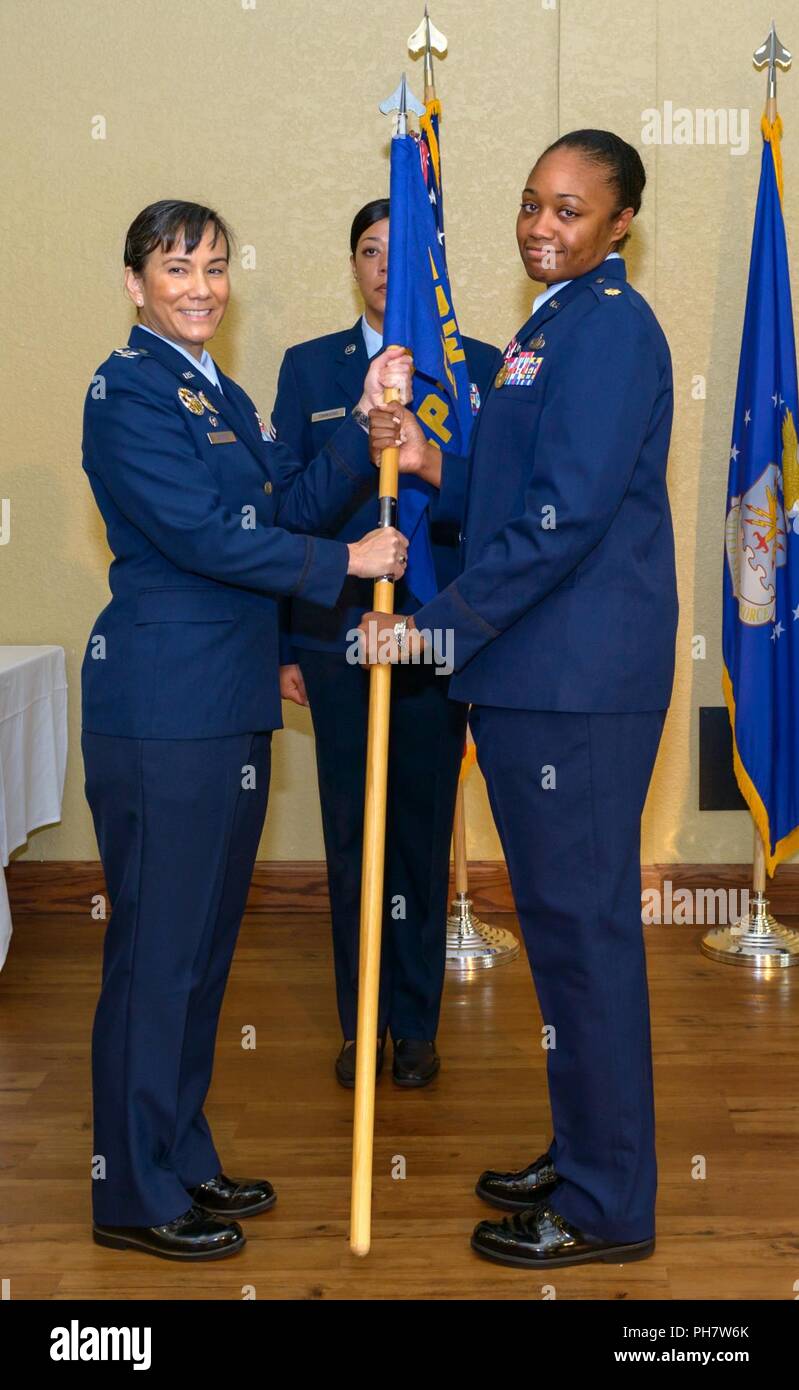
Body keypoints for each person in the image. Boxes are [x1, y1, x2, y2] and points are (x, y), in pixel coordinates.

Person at [362, 130, 678, 1269]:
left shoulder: (608, 330)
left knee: (584, 940)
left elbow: (561, 521)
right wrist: (431, 456)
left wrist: (429, 628)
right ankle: (587, 1143)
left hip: (576, 683)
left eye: (571, 211)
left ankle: (607, 1205)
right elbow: (512, 478)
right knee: (561, 933)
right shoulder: (551, 325)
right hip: (537, 674)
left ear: (619, 225)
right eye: (532, 204)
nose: (543, 226)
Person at [81, 199, 414, 1261]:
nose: (201, 286)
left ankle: (178, 1151)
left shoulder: (215, 388)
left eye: (216, 266)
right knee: (155, 954)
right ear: (136, 282)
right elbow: (201, 533)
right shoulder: (126, 389)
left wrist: (366, 439)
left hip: (225, 702)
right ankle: (130, 1191)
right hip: (164, 704)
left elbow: (282, 506)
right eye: (178, 268)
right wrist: (346, 569)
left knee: (200, 953)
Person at [272, 198, 500, 1088]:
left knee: (419, 828)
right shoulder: (307, 368)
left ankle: (413, 1023)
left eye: (399, 255)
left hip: (435, 638)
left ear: (425, 271)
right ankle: (360, 1023)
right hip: (337, 642)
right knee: (350, 837)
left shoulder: (473, 369)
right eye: (369, 252)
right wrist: (282, 644)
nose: (382, 269)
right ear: (353, 265)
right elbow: (284, 512)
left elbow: (493, 512)